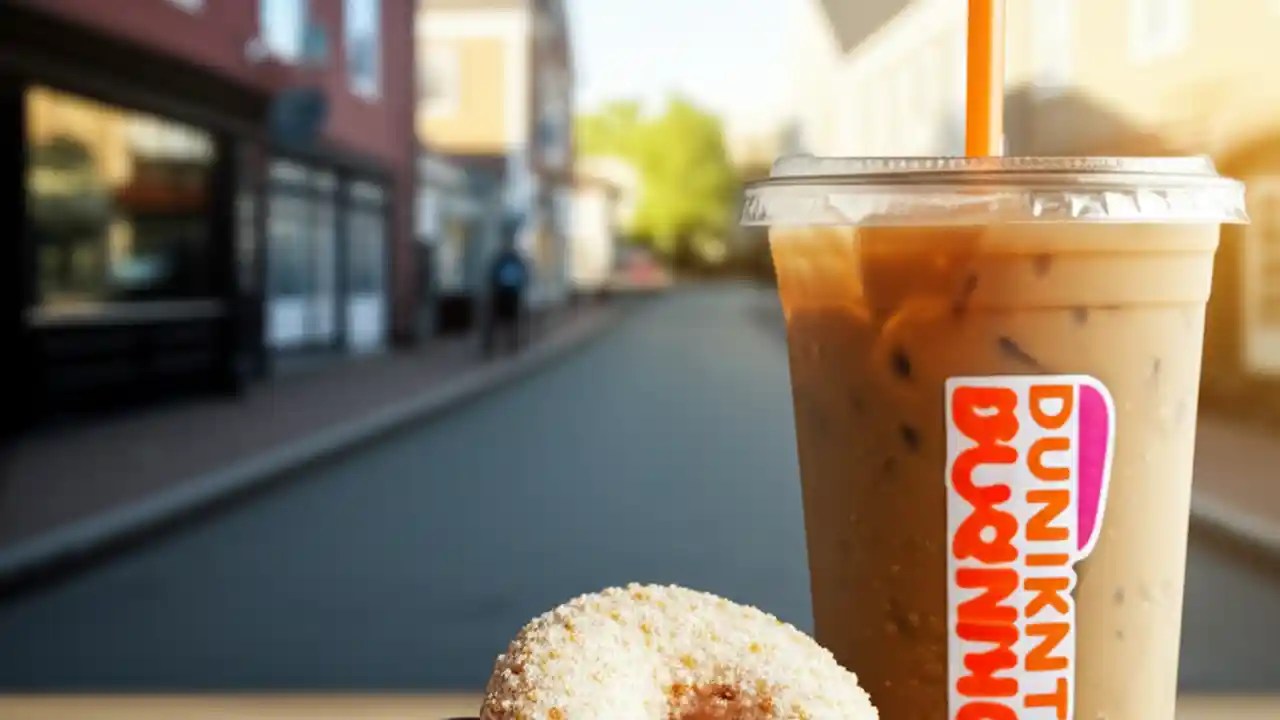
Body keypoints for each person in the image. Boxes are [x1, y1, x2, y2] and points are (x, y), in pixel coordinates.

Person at [484, 238, 530, 357]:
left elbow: (522, 276)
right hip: (504, 293)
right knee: (503, 321)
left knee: (509, 321)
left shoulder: (510, 262)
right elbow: (494, 275)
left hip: (509, 293)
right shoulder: (505, 262)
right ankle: (495, 345)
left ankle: (510, 343)